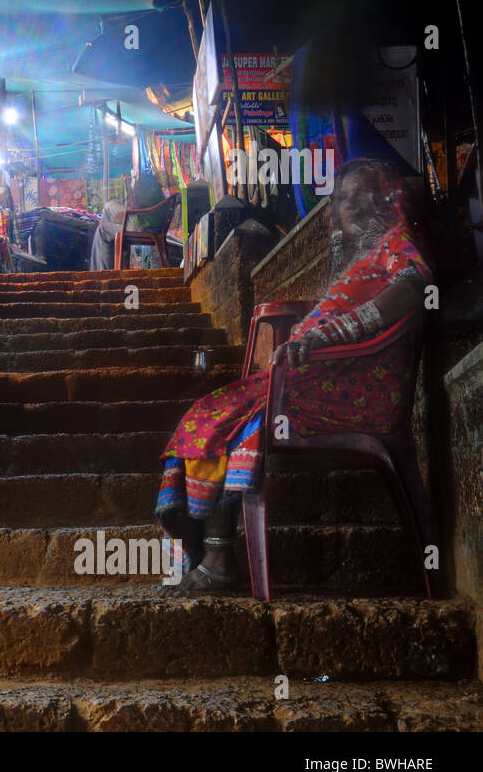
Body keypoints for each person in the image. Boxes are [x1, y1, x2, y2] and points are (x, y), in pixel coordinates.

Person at [157, 159, 431, 592]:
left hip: (354, 389)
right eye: (343, 200)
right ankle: (207, 550)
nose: (352, 208)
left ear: (387, 201)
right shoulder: (365, 254)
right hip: (322, 381)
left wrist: (323, 338)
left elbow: (415, 286)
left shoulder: (397, 242)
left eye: (364, 197)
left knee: (228, 418)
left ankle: (217, 557)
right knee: (209, 412)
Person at [89, 171, 165, 271]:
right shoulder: (154, 190)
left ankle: (104, 271)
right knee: (109, 206)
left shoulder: (147, 191)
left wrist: (127, 210)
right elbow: (136, 206)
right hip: (141, 221)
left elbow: (135, 206)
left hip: (142, 227)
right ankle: (113, 239)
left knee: (102, 229)